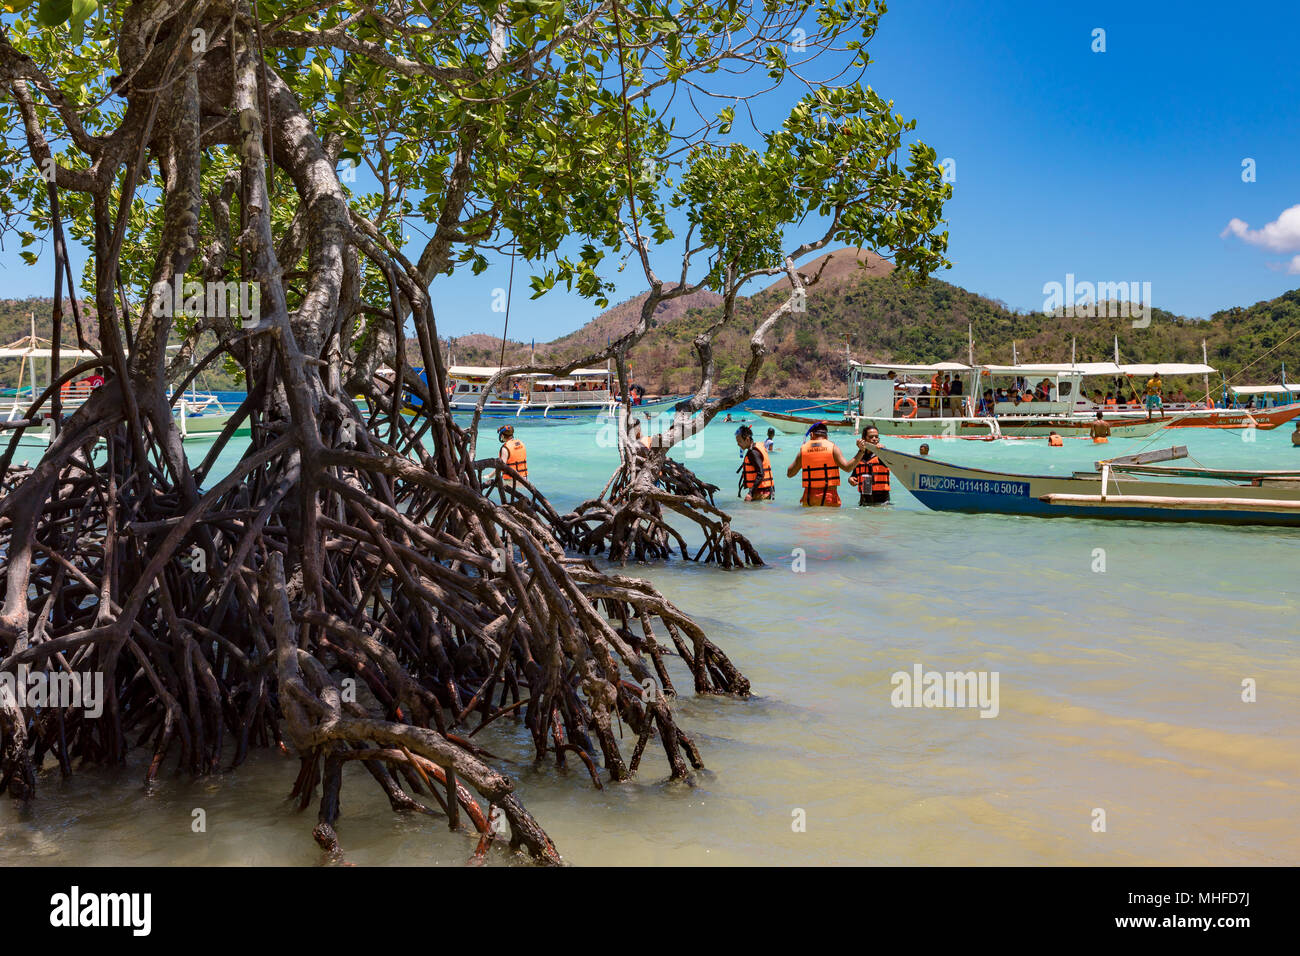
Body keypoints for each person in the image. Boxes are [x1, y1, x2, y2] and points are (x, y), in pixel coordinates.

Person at [786, 422, 869, 508]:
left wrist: (802, 454)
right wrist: (861, 451)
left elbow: (790, 473)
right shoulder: (833, 448)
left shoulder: (803, 450)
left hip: (809, 497)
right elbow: (848, 468)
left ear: (811, 434)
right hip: (828, 496)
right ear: (826, 436)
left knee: (809, 520)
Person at [849, 426, 891, 506]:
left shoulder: (881, 455)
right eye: (871, 437)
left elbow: (889, 461)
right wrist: (851, 479)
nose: (875, 439)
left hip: (881, 501)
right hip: (864, 499)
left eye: (876, 437)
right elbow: (854, 475)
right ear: (864, 439)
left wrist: (884, 450)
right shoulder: (859, 457)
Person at [734, 425, 775, 501]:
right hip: (765, 491)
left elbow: (761, 474)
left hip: (762, 492)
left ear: (747, 439)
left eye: (739, 441)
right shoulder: (754, 448)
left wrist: (750, 493)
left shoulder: (753, 453)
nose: (738, 444)